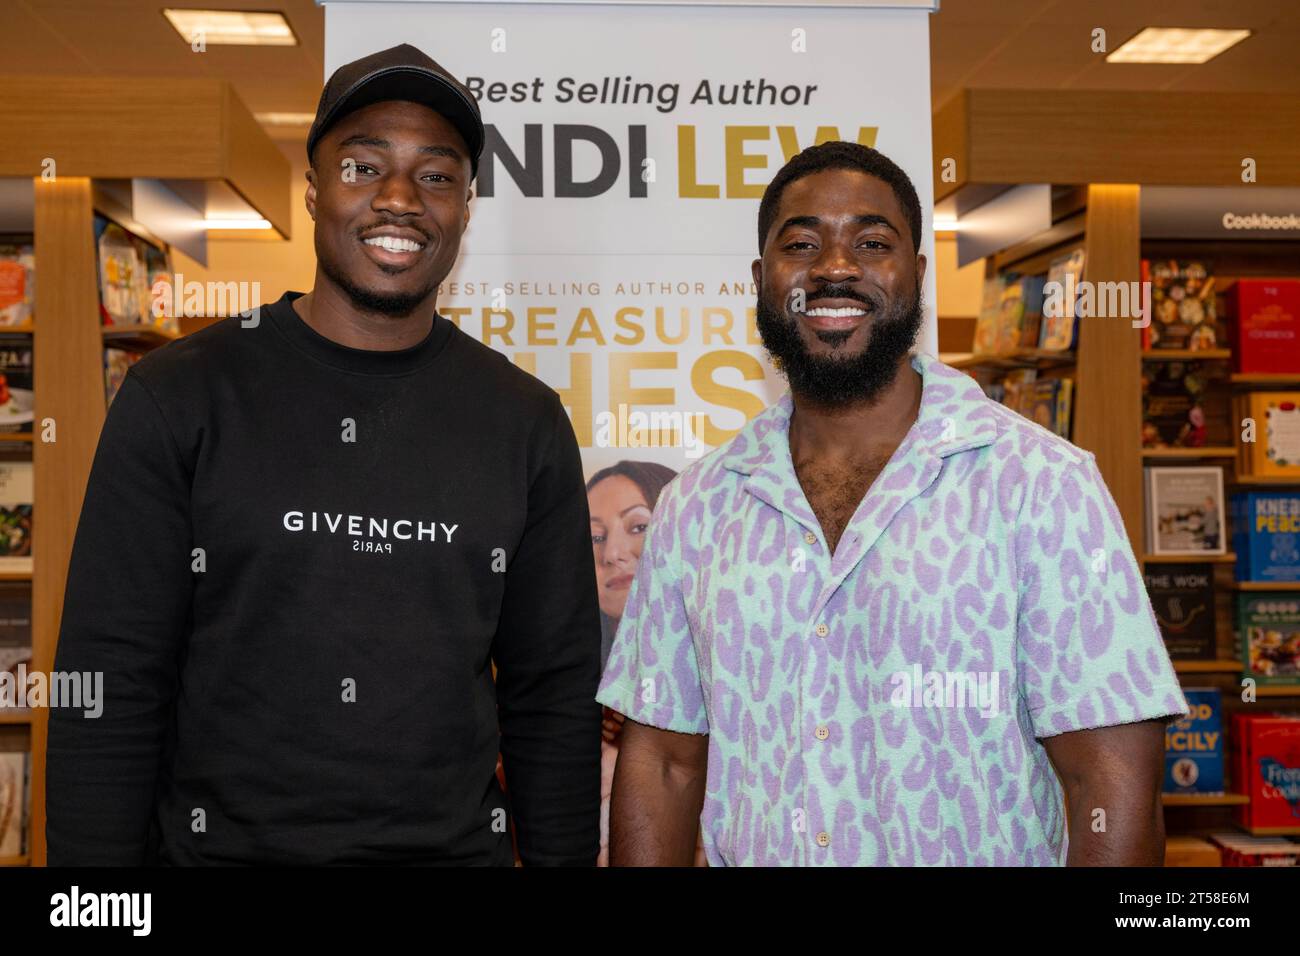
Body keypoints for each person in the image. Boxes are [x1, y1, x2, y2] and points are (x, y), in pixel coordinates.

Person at [47, 44, 602, 866]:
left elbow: (550, 698)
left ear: (466, 208)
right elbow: (109, 683)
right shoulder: (181, 395)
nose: (400, 199)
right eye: (363, 165)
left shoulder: (524, 420)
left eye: (437, 175)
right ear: (313, 190)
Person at [597, 141, 1189, 866]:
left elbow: (1110, 774)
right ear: (762, 279)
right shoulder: (696, 506)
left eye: (872, 242)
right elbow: (663, 761)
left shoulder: (1043, 485)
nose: (835, 267)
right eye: (803, 243)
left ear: (916, 273)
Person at [584, 460, 689, 866]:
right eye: (594, 537)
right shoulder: (552, 691)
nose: (612, 554)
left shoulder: (730, 671)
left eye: (638, 527)